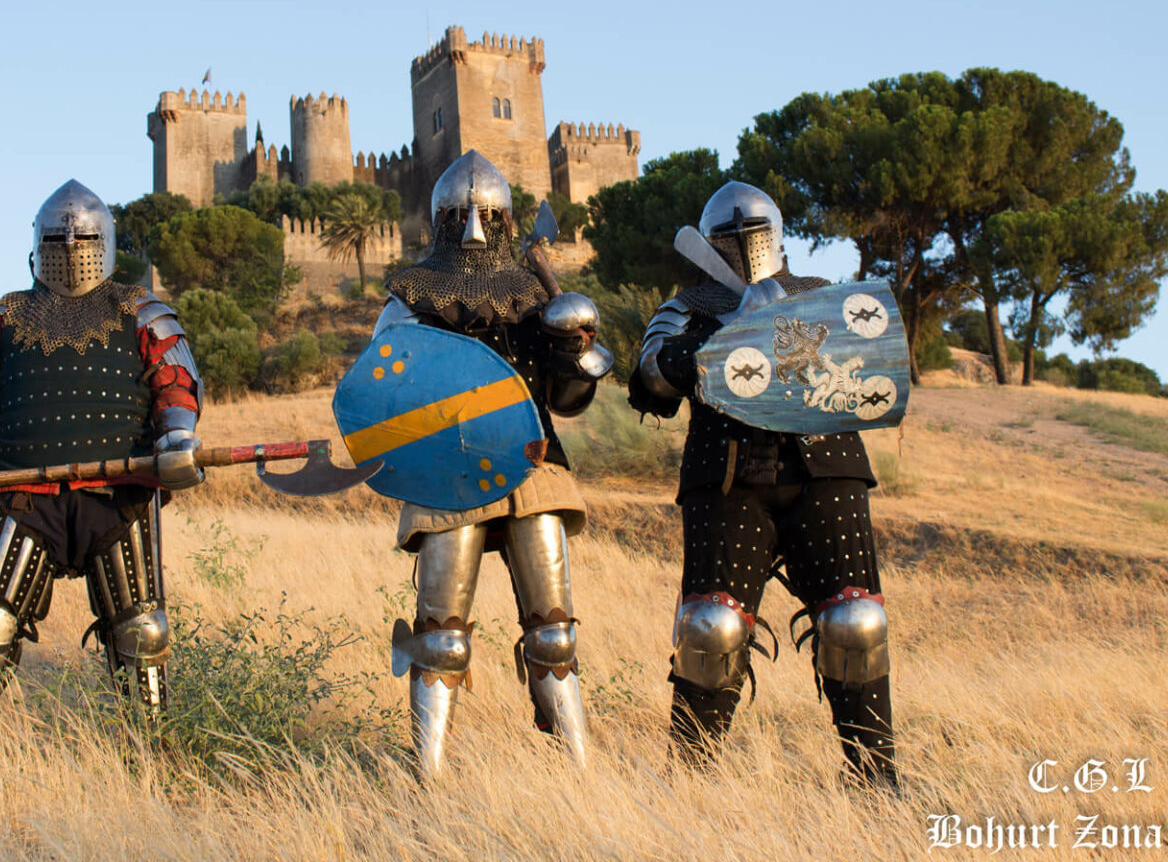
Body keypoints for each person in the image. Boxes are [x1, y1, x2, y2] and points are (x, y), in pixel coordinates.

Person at [628, 181, 896, 786]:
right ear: (709, 244)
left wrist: (780, 311)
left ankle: (877, 783)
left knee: (857, 623)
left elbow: (872, 369)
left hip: (824, 469)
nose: (745, 246)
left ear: (778, 237)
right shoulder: (687, 308)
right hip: (727, 476)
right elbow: (650, 384)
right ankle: (691, 785)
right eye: (728, 238)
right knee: (709, 628)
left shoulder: (826, 297)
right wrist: (722, 331)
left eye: (755, 235)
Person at [0, 179, 202, 723]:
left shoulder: (140, 310)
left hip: (119, 492)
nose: (70, 252)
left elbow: (176, 382)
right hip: (21, 491)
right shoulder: (7, 316)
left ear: (105, 243)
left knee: (141, 632)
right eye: (57, 241)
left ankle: (153, 753)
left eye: (83, 241)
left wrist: (178, 437)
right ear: (36, 247)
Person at [376, 150, 611, 778]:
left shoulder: (536, 296)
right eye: (460, 217)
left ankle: (579, 767)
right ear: (438, 223)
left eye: (485, 216)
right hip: (445, 475)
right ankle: (428, 772)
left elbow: (568, 401)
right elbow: (382, 394)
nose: (475, 231)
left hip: (535, 467)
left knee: (554, 633)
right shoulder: (410, 297)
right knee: (441, 638)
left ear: (506, 222)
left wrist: (573, 351)